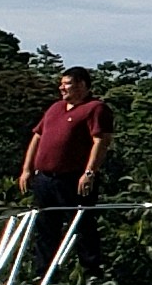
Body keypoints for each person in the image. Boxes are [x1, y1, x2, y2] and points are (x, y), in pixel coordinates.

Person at [20, 67, 113, 221]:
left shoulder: (95, 108)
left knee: (79, 225)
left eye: (67, 84)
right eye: (61, 84)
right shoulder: (55, 108)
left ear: (81, 84)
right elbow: (37, 137)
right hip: (45, 179)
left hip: (73, 179)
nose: (61, 88)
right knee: (44, 225)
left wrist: (89, 173)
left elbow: (101, 142)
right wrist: (26, 169)